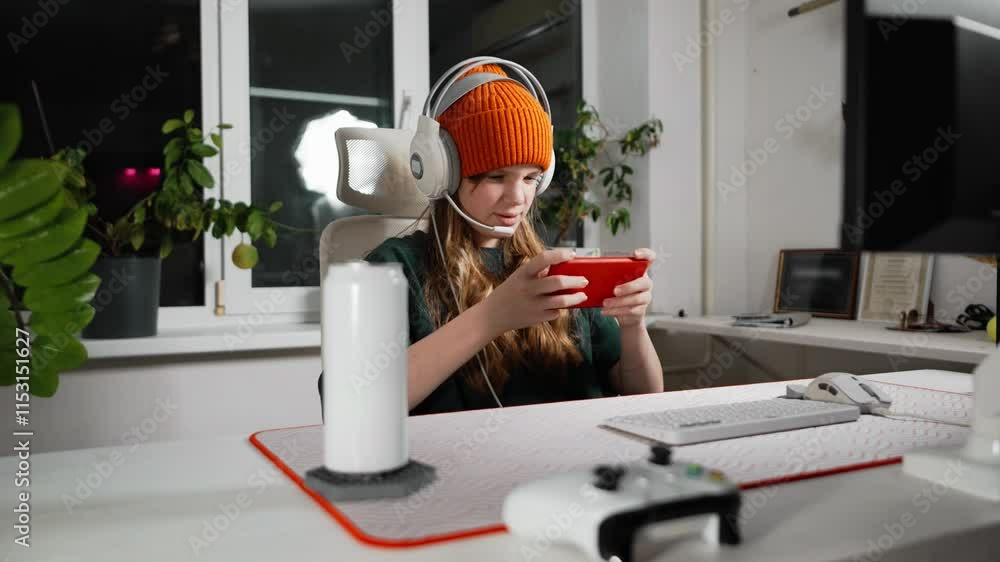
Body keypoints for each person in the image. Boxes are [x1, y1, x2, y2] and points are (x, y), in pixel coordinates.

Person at [318, 62, 663, 415]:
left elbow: (644, 394)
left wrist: (634, 327)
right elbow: (347, 406)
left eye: (531, 178)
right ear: (445, 172)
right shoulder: (394, 267)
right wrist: (491, 318)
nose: (518, 198)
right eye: (497, 176)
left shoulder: (558, 271)